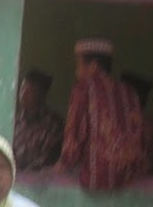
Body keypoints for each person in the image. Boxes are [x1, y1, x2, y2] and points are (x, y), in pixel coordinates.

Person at [58, 39, 145, 190]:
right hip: (128, 177)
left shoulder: (83, 90)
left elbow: (74, 137)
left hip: (95, 178)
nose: (76, 71)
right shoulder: (129, 92)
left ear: (94, 66)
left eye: (79, 65)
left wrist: (62, 165)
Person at [12, 68, 63, 172]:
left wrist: (25, 172)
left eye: (30, 90)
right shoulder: (15, 122)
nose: (23, 94)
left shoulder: (53, 124)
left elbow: (48, 159)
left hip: (38, 182)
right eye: (22, 89)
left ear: (41, 94)